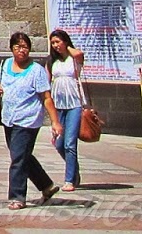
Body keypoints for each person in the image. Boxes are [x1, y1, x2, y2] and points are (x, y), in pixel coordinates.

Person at [0, 31, 63, 210]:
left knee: (17, 157)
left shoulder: (36, 71)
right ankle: (46, 185)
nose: (21, 50)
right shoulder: (5, 64)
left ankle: (17, 196)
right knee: (22, 155)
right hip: (9, 118)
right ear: (11, 49)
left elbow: (46, 98)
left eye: (25, 47)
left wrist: (55, 122)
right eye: (17, 47)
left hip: (28, 120)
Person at [48, 29, 87, 191]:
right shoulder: (52, 62)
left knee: (70, 143)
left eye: (58, 41)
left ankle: (69, 179)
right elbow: (47, 84)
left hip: (75, 104)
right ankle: (75, 170)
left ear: (65, 41)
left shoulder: (74, 59)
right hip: (59, 106)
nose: (55, 45)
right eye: (53, 43)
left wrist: (68, 47)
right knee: (59, 144)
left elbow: (79, 54)